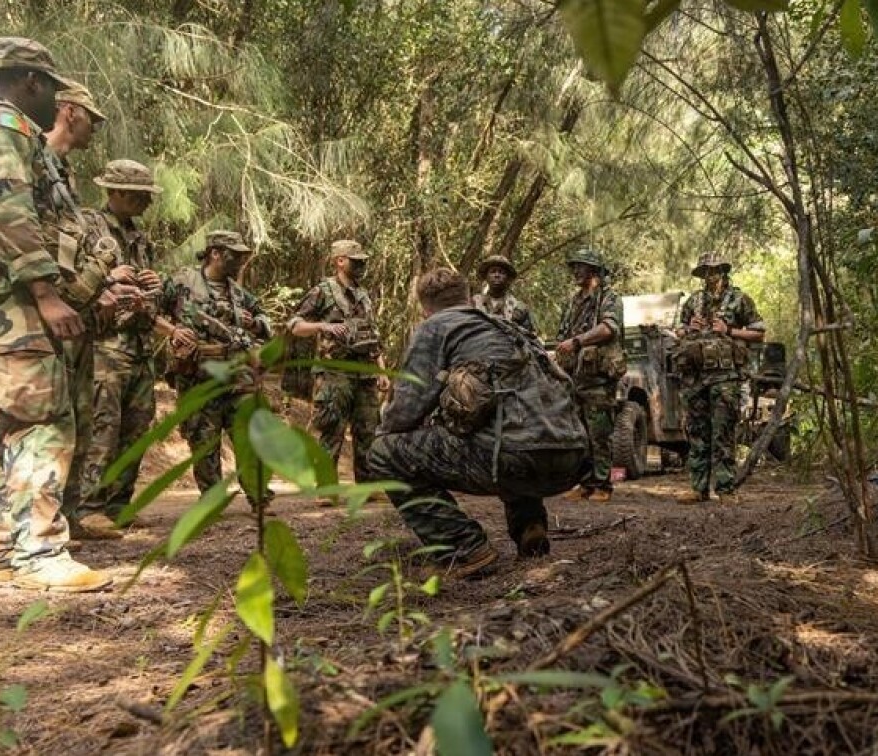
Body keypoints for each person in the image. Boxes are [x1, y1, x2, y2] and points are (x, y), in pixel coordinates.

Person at [0, 37, 109, 591]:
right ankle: (39, 553)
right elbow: (8, 210)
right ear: (32, 82)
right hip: (8, 293)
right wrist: (46, 293)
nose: (54, 104)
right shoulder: (4, 123)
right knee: (43, 416)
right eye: (52, 90)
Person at [367, 269, 587, 578]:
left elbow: (407, 408)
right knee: (510, 423)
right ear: (470, 299)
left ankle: (464, 548)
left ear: (424, 308)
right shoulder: (510, 328)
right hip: (571, 459)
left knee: (382, 453)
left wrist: (385, 435)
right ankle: (529, 525)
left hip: (513, 460)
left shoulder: (436, 327)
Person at [42, 82, 140, 541]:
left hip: (77, 309)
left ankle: (76, 513)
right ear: (68, 111)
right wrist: (89, 282)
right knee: (72, 422)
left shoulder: (62, 172)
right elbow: (36, 241)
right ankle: (40, 525)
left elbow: (65, 247)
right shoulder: (35, 160)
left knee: (82, 418)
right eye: (91, 118)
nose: (96, 127)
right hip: (58, 315)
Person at [76, 160, 164, 532]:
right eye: (140, 195)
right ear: (116, 192)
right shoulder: (88, 226)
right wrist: (109, 277)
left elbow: (154, 298)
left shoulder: (140, 238)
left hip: (139, 346)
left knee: (136, 427)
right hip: (105, 345)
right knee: (103, 426)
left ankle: (117, 505)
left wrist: (153, 291)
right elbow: (73, 279)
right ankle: (87, 507)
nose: (147, 203)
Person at [156, 231, 273, 503]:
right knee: (203, 439)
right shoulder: (183, 281)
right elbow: (150, 310)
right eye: (235, 255)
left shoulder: (238, 293)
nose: (241, 261)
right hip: (198, 376)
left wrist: (254, 324)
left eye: (243, 256)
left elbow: (265, 322)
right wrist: (172, 331)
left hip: (236, 374)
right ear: (215, 253)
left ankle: (258, 494)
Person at [288, 240, 387, 485]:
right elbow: (294, 325)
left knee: (369, 430)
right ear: (340, 261)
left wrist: (382, 371)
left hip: (365, 373)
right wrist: (323, 326)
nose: (361, 265)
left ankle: (368, 484)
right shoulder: (323, 291)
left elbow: (373, 336)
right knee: (332, 429)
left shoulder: (364, 295)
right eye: (356, 261)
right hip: (334, 373)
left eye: (363, 261)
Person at [674, 254, 765, 503]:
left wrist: (729, 330)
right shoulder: (694, 301)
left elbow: (759, 332)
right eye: (705, 272)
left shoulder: (739, 300)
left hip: (726, 378)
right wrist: (688, 329)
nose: (710, 276)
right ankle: (698, 488)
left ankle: (726, 489)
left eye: (714, 271)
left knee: (723, 432)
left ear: (723, 272)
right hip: (696, 378)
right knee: (697, 432)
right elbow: (678, 331)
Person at [554, 248, 625, 503]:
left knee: (599, 433)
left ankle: (603, 485)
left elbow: (608, 328)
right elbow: (562, 335)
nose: (575, 271)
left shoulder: (609, 298)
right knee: (579, 433)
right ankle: (584, 483)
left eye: (580, 267)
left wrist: (576, 342)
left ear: (593, 271)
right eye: (574, 266)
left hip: (599, 379)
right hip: (575, 377)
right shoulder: (574, 301)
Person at [472, 255, 536, 335]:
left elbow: (530, 338)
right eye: (493, 271)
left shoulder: (519, 308)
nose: (497, 275)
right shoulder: (474, 303)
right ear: (486, 276)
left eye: (501, 272)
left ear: (508, 278)